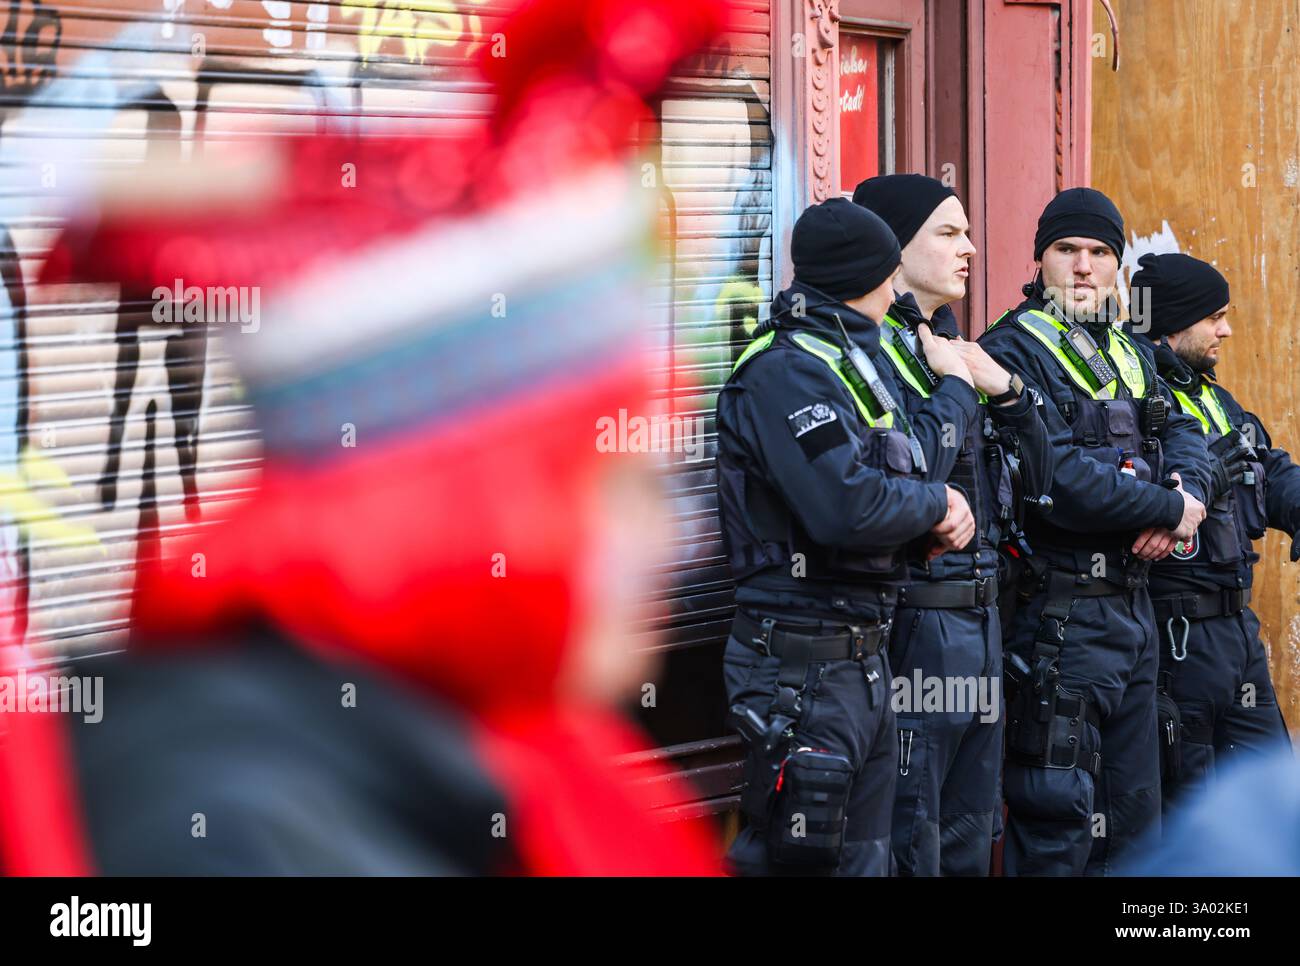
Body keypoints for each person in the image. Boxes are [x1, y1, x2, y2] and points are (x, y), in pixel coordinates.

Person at [716, 197, 977, 875]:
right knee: (801, 860)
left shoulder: (850, 359)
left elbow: (899, 470)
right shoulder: (784, 369)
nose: (897, 290)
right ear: (864, 277)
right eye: (889, 273)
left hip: (861, 658)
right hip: (801, 668)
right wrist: (936, 503)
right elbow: (844, 507)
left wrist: (930, 523)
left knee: (866, 861)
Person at [978, 187, 1211, 875]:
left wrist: (1186, 495)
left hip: (1136, 612)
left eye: (1100, 253)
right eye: (1067, 250)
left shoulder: (1130, 352)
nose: (1083, 266)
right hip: (1060, 619)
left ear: (1116, 269)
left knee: (1137, 822)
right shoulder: (1010, 350)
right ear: (1041, 260)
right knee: (1059, 823)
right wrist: (1162, 510)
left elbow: (1188, 432)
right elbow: (1057, 480)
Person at [853, 174, 1054, 876]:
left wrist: (1010, 393)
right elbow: (909, 483)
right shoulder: (869, 360)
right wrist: (954, 387)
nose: (969, 248)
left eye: (968, 232)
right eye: (947, 233)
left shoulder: (955, 348)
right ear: (893, 248)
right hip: (916, 624)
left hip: (984, 619)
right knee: (916, 833)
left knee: (973, 831)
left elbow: (1044, 478)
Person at [1127, 253, 1296, 811]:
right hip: (1173, 631)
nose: (1226, 329)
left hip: (1235, 633)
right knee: (1187, 803)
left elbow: (1270, 472)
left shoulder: (1214, 399)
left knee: (1271, 798)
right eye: (1214, 316)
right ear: (1174, 320)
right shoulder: (1137, 398)